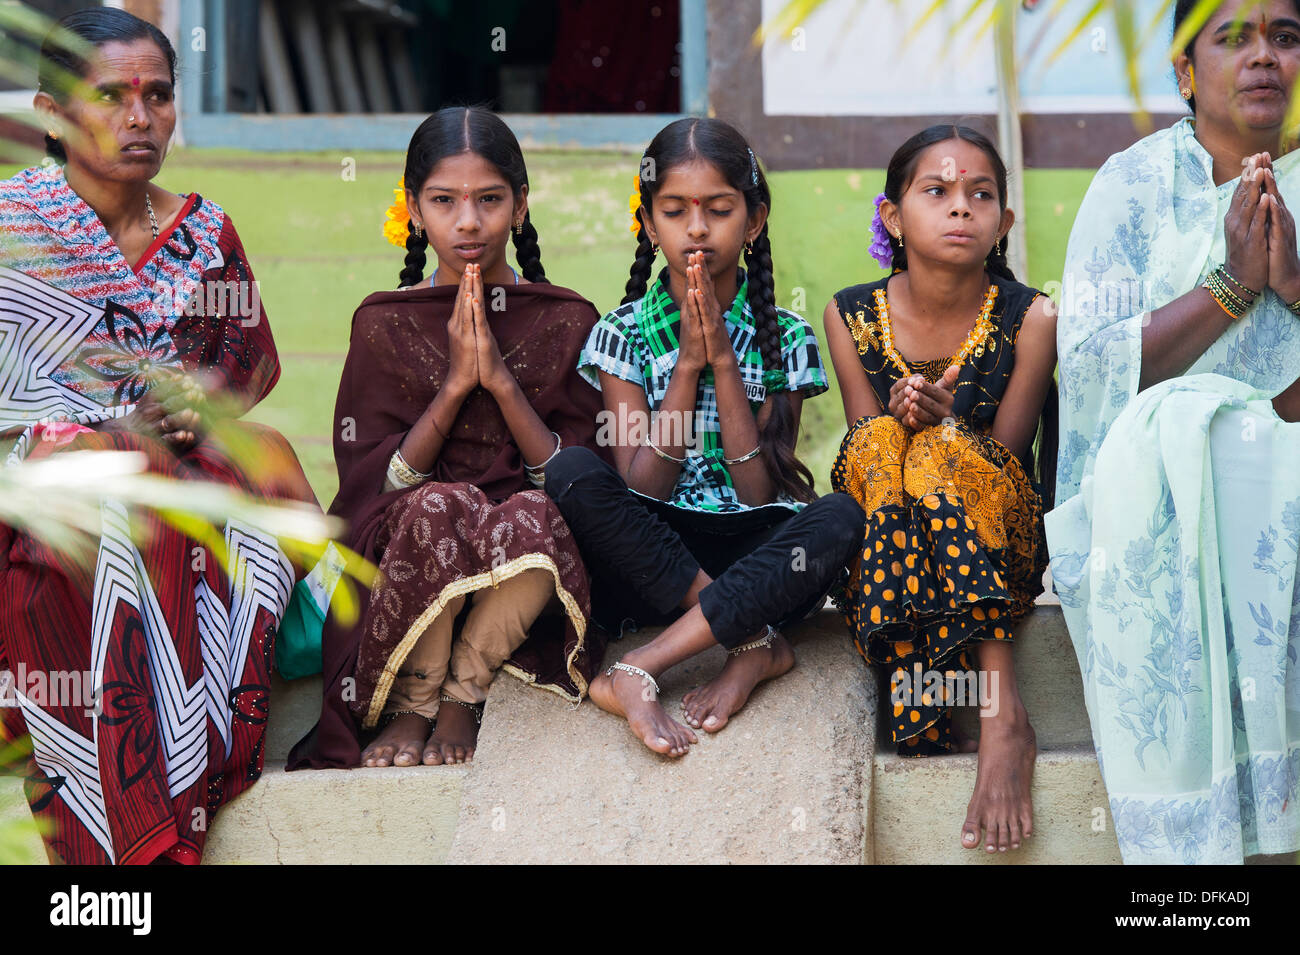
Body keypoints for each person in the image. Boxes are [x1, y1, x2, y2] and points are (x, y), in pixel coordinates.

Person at [0, 8, 318, 864]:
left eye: (158, 96)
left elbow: (243, 371)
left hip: (178, 500)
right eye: (110, 96)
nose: (140, 118)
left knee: (257, 482)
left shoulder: (205, 236)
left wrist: (199, 401)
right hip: (37, 503)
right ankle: (134, 839)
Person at [1047, 0, 1300, 864]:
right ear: (1185, 74)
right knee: (1200, 429)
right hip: (1155, 489)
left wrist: (1294, 287)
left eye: (1286, 37)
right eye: (1234, 38)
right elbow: (1087, 369)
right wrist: (1231, 286)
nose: (1264, 56)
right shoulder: (1133, 183)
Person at [287, 107, 609, 771]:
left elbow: (577, 476)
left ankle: (465, 689)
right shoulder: (382, 321)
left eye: (489, 200)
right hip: (412, 541)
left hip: (520, 567)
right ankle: (415, 699)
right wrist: (457, 385)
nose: (468, 222)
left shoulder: (566, 318)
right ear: (413, 209)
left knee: (539, 511)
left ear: (520, 206)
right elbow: (377, 483)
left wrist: (499, 381)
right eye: (444, 201)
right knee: (438, 504)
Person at [544, 117, 865, 758]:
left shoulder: (789, 336)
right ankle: (753, 641)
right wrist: (687, 366)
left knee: (839, 517)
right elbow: (643, 487)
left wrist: (724, 362)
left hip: (750, 545)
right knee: (572, 471)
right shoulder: (621, 334)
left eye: (719, 210)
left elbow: (756, 491)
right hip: (653, 555)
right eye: (674, 212)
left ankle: (645, 664)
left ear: (753, 220)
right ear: (649, 222)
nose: (696, 229)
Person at [823, 125, 1058, 854]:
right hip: (897, 541)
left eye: (980, 195)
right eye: (938, 191)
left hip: (1001, 535)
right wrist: (910, 426)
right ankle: (929, 684)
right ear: (892, 216)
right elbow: (871, 463)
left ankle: (999, 712)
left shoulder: (1034, 316)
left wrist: (947, 426)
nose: (961, 208)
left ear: (1003, 223)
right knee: (886, 443)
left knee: (936, 451)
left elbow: (1009, 464)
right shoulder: (850, 312)